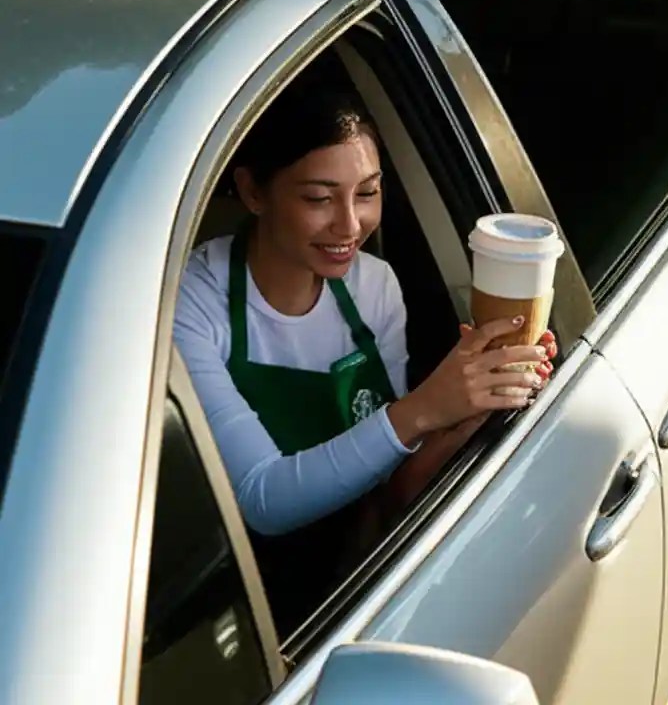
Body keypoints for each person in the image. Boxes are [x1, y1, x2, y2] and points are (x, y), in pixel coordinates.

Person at [173, 85, 555, 630]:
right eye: (319, 198)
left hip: (354, 582)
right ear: (253, 191)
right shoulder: (195, 299)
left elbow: (392, 481)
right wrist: (426, 407)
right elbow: (264, 500)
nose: (350, 226)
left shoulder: (373, 286)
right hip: (242, 613)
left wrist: (473, 404)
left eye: (368, 193)